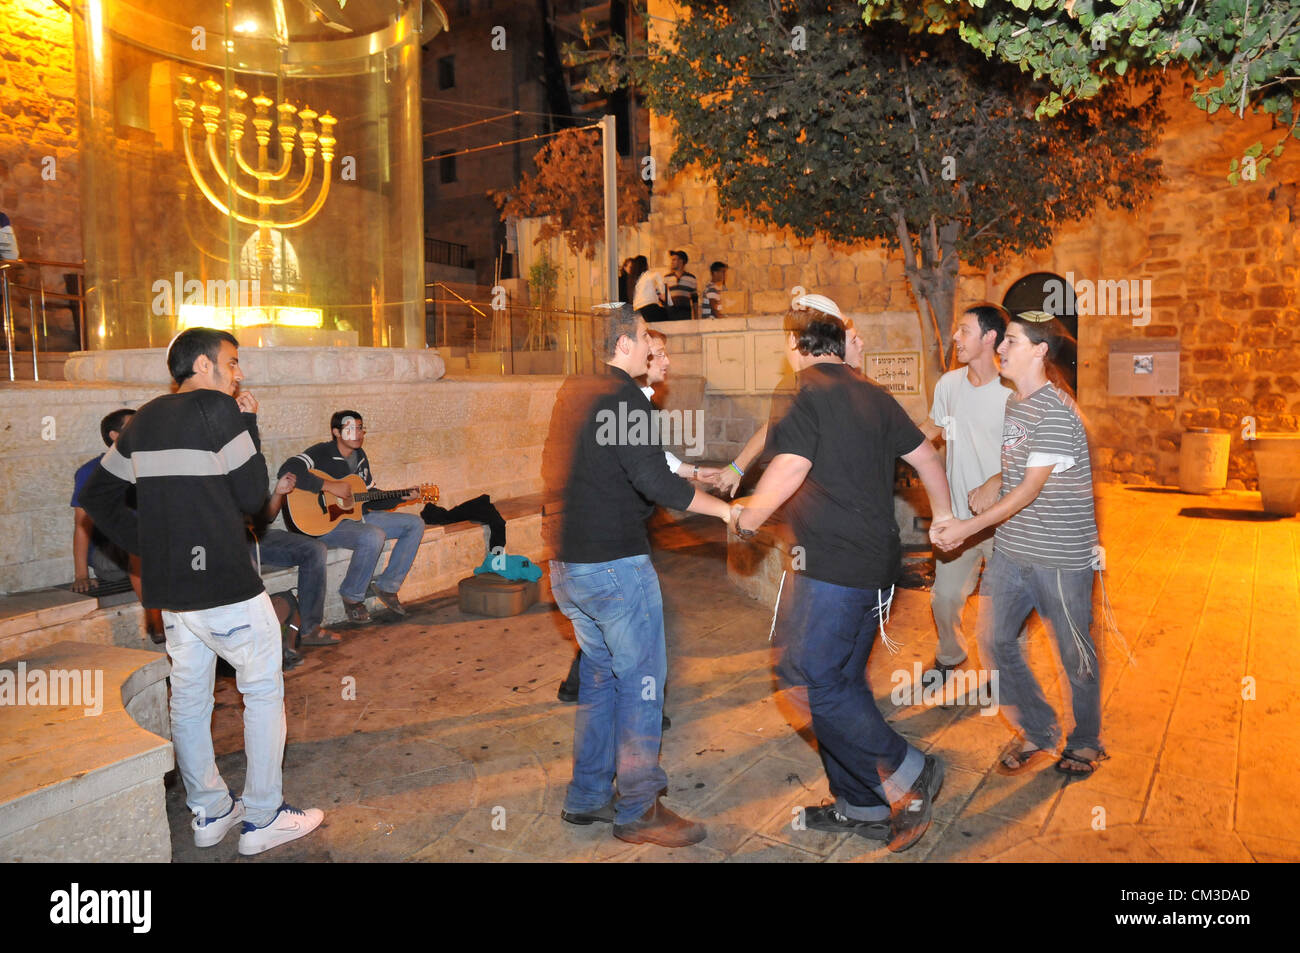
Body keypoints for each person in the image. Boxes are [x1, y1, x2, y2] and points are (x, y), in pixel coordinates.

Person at [79, 327, 323, 855]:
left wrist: (150, 546)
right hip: (225, 585)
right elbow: (253, 498)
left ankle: (209, 812)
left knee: (189, 701)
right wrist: (250, 424)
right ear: (205, 366)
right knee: (260, 692)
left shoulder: (143, 418)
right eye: (233, 363)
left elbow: (98, 496)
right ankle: (262, 818)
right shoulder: (219, 409)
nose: (239, 374)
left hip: (173, 592)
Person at [731, 304, 954, 852]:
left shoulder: (800, 389)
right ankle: (860, 805)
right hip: (878, 564)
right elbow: (926, 457)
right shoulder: (871, 393)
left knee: (805, 678)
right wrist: (943, 516)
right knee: (840, 684)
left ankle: (910, 771)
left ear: (796, 344)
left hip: (832, 567)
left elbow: (791, 465)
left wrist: (750, 516)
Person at [551, 304, 732, 847]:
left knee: (603, 682)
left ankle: (587, 798)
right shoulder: (626, 397)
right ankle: (638, 807)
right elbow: (658, 482)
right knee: (642, 685)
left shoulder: (575, 391)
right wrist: (726, 512)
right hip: (614, 566)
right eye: (643, 341)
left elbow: (571, 467)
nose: (651, 351)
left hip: (569, 567)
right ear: (625, 343)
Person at [930, 311, 1104, 779]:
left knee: (1075, 653)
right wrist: (994, 478)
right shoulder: (1016, 403)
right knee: (994, 641)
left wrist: (967, 527)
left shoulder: (1056, 410)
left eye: (1010, 341)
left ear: (1040, 351)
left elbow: (1029, 489)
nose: (1000, 349)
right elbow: (1021, 468)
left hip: (1059, 557)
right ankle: (1039, 729)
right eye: (1001, 340)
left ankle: (1085, 740)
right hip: (1013, 549)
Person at [555, 328, 722, 715]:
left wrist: (693, 471)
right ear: (631, 350)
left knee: (606, 648)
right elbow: (649, 475)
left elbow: (648, 458)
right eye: (656, 351)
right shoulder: (625, 400)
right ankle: (641, 739)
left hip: (581, 551)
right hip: (610, 549)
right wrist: (725, 511)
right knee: (634, 654)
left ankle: (599, 745)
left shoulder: (608, 395)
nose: (663, 360)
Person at [917, 304, 1013, 681]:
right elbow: (931, 429)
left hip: (1005, 520)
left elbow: (1032, 456)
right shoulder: (949, 384)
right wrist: (892, 445)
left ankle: (1006, 673)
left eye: (964, 331)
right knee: (944, 598)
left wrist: (996, 480)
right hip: (959, 520)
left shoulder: (1013, 391)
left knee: (1006, 606)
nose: (955, 338)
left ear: (990, 338)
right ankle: (951, 655)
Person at [278, 411, 425, 623]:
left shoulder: (360, 456)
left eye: (360, 428)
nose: (358, 433)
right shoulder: (321, 452)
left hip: (357, 516)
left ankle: (387, 587)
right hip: (325, 523)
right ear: (336, 432)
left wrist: (402, 497)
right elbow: (287, 470)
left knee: (415, 524)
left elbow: (368, 497)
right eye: (351, 429)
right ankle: (352, 597)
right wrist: (329, 486)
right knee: (373, 536)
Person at [715, 294, 864, 498]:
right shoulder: (804, 386)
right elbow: (777, 423)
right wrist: (738, 466)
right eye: (854, 340)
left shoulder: (859, 389)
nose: (862, 344)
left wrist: (752, 515)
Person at [71, 408, 165, 642]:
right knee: (139, 546)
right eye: (135, 426)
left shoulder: (151, 465)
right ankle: (156, 620)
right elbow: (82, 525)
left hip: (148, 544)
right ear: (115, 436)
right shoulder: (92, 471)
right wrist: (81, 574)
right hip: (111, 554)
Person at [252, 472, 339, 647]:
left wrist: (278, 493)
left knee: (315, 549)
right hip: (231, 539)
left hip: (259, 535)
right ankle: (254, 640)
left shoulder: (251, 468)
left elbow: (267, 517)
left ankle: (308, 629)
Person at [629, 254, 666, 323]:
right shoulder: (650, 276)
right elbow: (662, 295)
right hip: (650, 309)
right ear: (645, 265)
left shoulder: (632, 280)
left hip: (637, 311)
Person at [663, 250, 698, 321]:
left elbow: (695, 300)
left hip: (685, 315)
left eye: (674, 260)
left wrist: (696, 318)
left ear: (681, 261)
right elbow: (663, 298)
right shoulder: (666, 278)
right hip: (670, 315)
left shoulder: (691, 278)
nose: (671, 262)